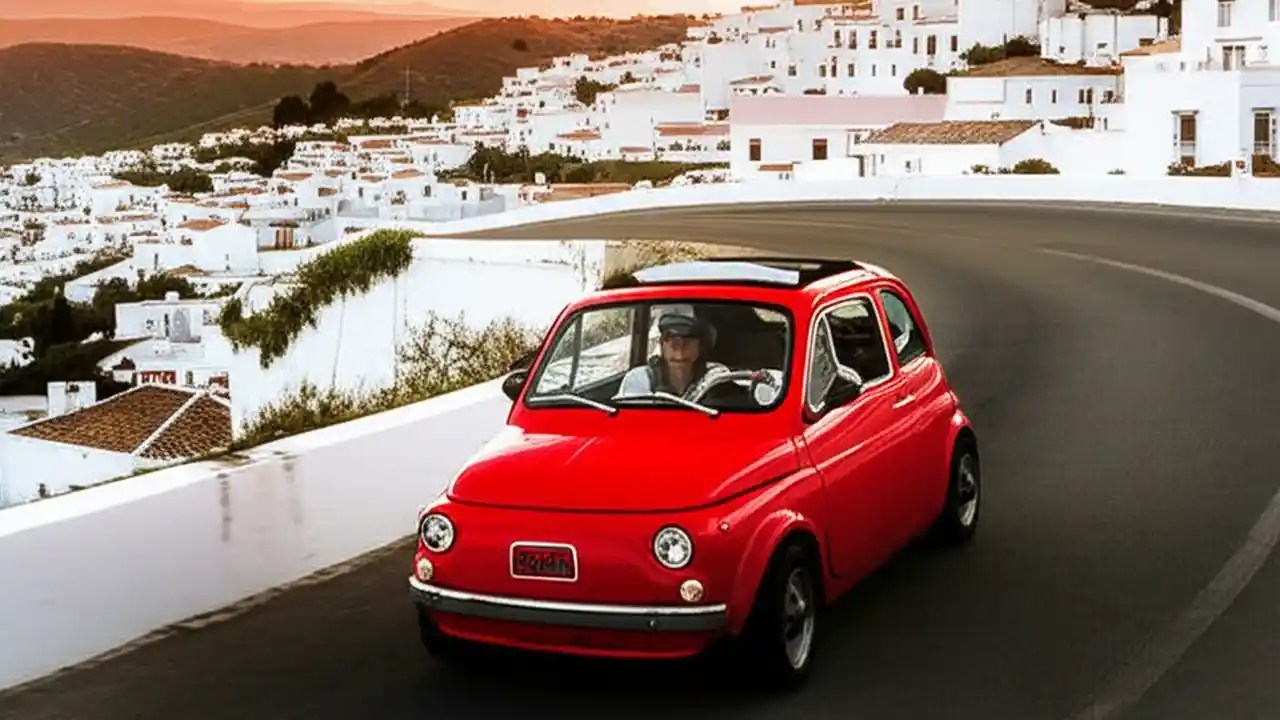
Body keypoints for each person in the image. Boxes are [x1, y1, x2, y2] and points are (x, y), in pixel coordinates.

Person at [615, 307, 728, 398]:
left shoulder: (716, 379)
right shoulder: (640, 380)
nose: (679, 349)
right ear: (662, 344)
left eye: (688, 338)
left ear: (702, 346)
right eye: (670, 337)